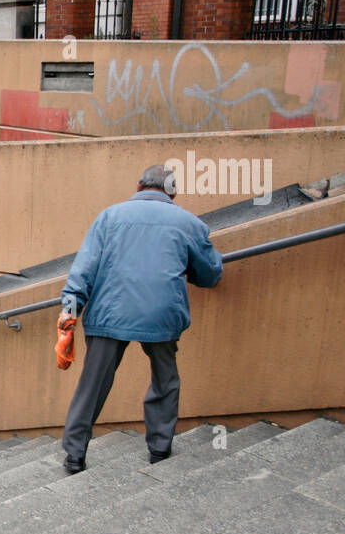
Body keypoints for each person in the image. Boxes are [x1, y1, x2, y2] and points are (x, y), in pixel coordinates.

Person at [58, 164, 223, 473]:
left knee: (92, 386)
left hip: (110, 312)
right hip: (161, 314)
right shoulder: (188, 223)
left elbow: (84, 268)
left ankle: (74, 456)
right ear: (173, 191)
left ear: (139, 185)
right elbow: (211, 274)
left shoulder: (109, 217)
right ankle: (159, 450)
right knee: (165, 381)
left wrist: (70, 310)